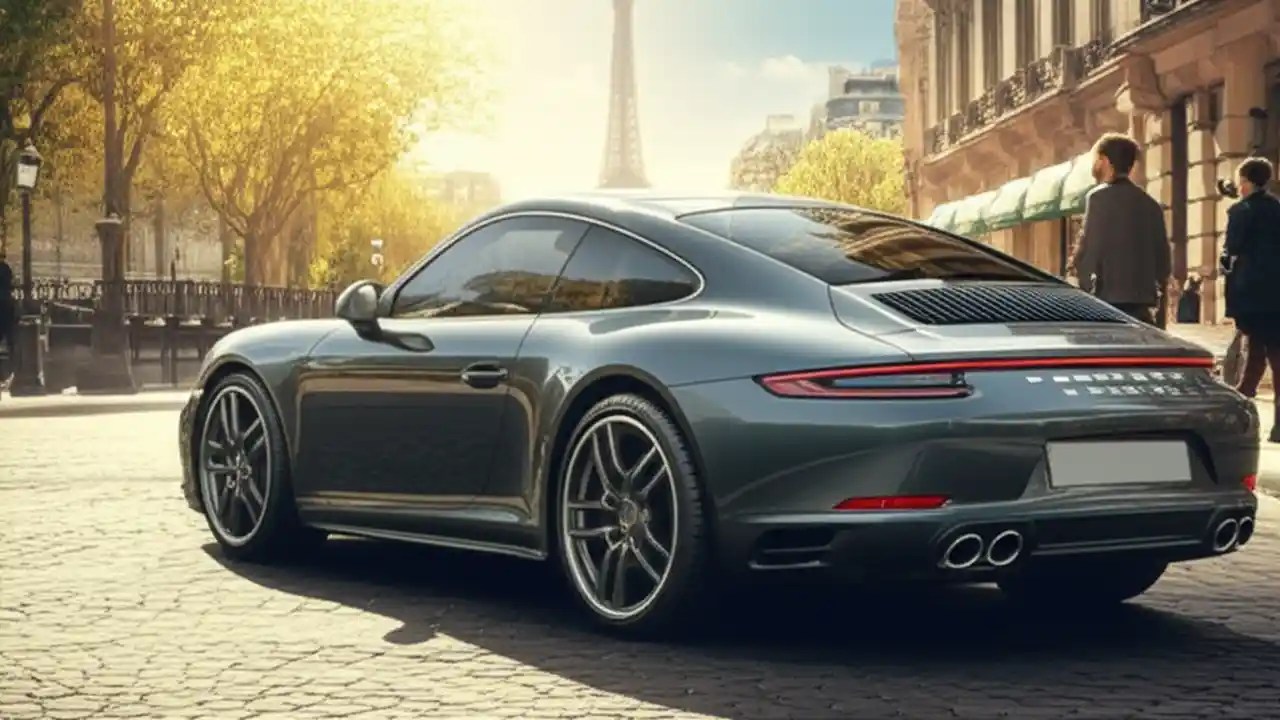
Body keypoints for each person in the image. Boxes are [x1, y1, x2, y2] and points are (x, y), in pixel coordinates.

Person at [1067, 132, 1172, 326]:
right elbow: (1163, 263)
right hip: (1143, 306)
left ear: (1105, 160)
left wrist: (1083, 292)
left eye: (1097, 159)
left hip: (1108, 303)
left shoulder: (1098, 199)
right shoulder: (1151, 205)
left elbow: (1090, 252)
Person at [1222, 156, 1280, 441]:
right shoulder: (1277, 208)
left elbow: (1231, 248)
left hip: (1251, 293)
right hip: (1276, 293)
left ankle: (1239, 410)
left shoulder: (1240, 211)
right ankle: (1272, 420)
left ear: (1245, 182)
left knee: (1256, 351)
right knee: (1272, 353)